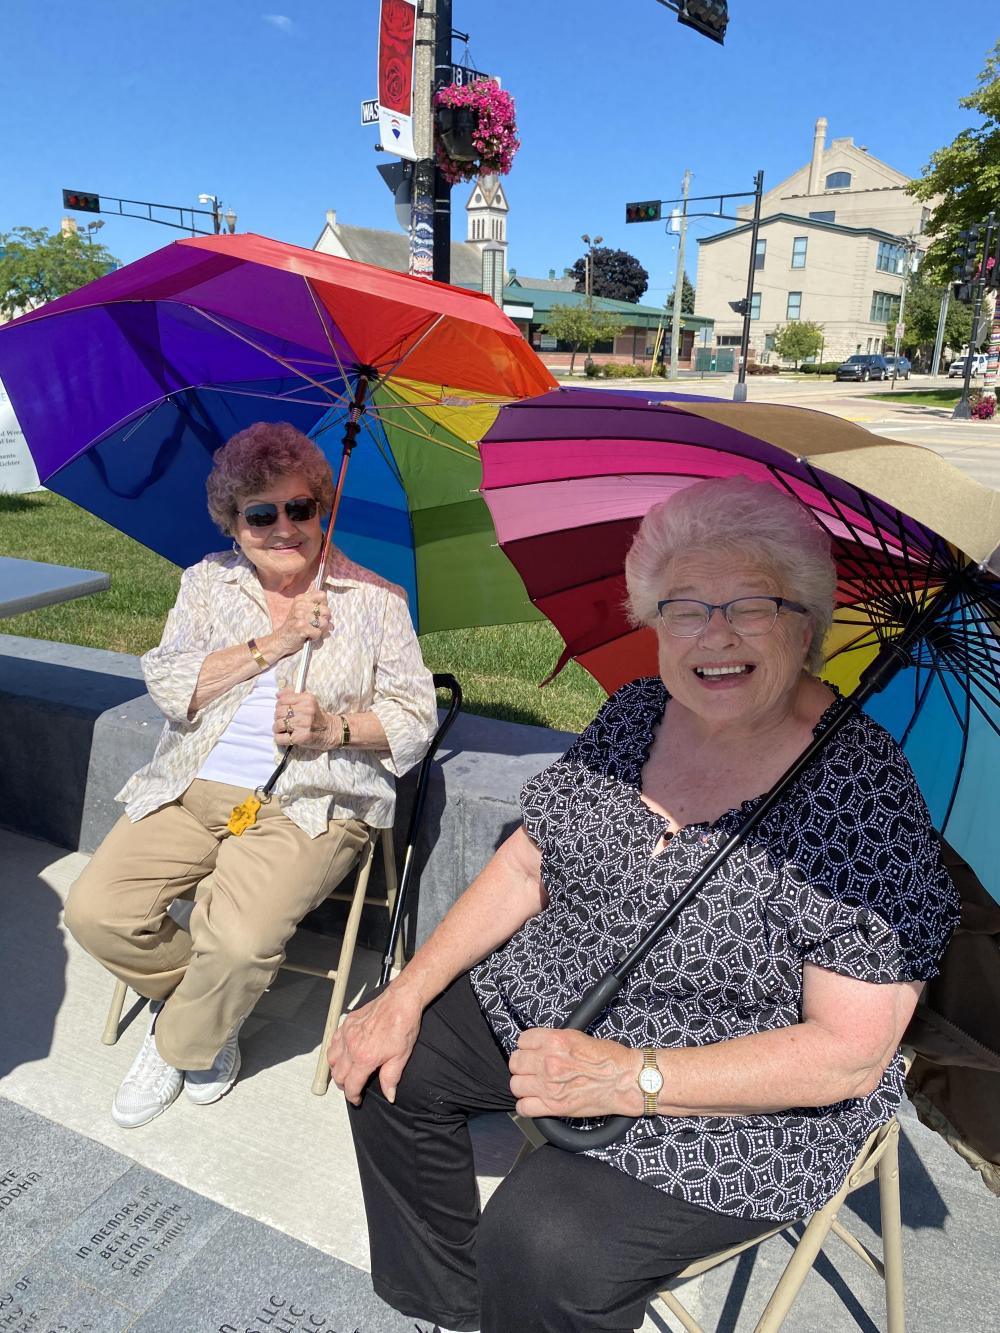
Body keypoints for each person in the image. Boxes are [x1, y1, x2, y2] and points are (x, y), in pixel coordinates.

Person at [330, 477, 960, 1333]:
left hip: (729, 1083)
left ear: (806, 624)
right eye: (685, 607)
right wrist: (404, 993)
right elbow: (527, 865)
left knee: (541, 1246)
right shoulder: (638, 714)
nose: (716, 635)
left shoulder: (861, 793)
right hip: (555, 996)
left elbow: (848, 1054)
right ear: (651, 621)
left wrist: (635, 1074)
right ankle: (452, 1308)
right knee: (382, 1067)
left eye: (752, 606)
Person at [65, 421, 437, 1129]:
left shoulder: (376, 600)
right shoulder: (206, 584)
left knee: (238, 942)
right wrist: (277, 640)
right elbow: (171, 683)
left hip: (312, 801)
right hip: (195, 784)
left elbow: (416, 717)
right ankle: (205, 1000)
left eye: (300, 508)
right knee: (96, 910)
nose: (284, 527)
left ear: (322, 507)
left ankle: (181, 1041)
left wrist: (334, 727)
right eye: (261, 514)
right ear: (233, 522)